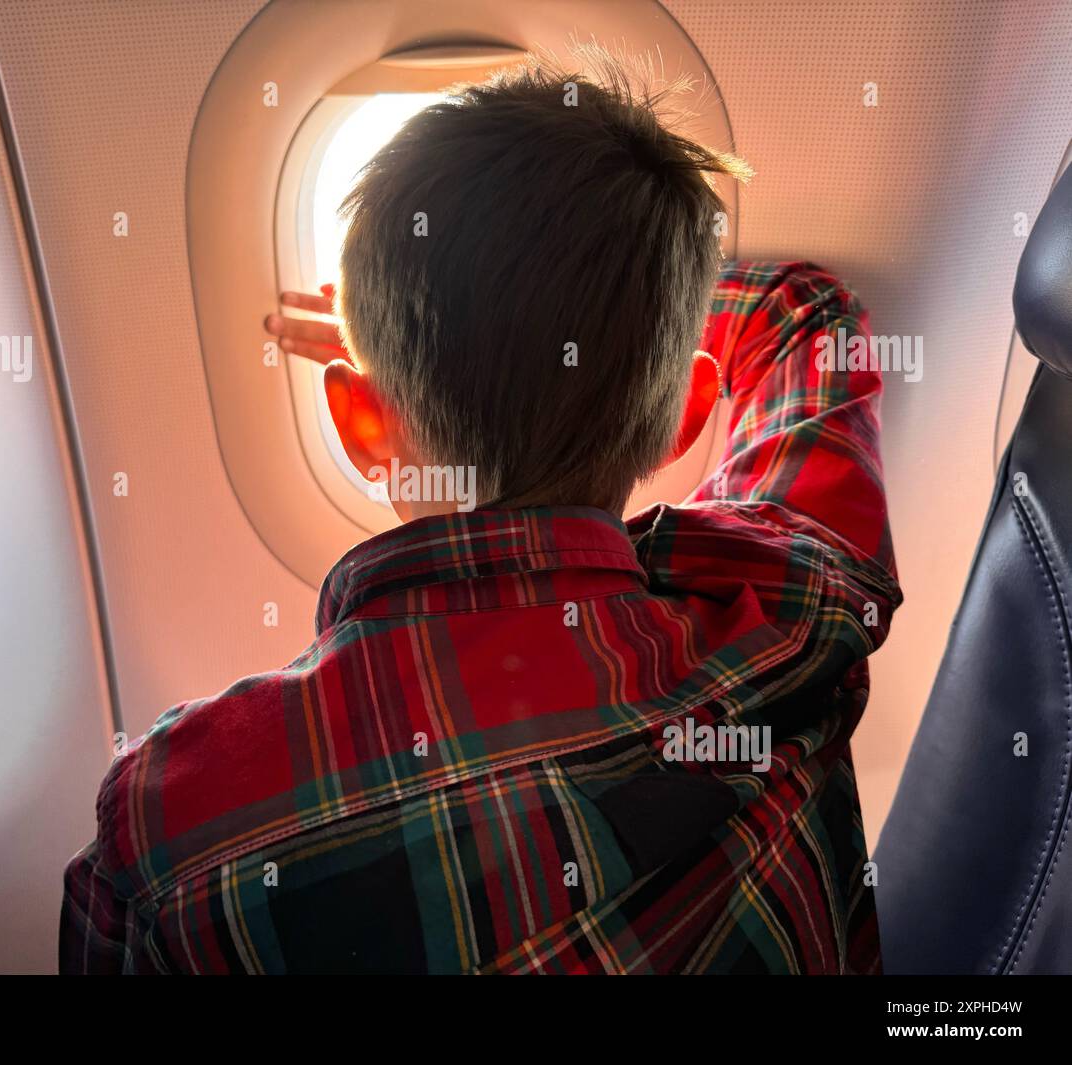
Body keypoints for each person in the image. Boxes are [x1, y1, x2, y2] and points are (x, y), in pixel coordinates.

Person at [60, 48, 900, 974]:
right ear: (685, 417)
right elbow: (805, 316)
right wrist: (625, 308)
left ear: (356, 420)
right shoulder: (793, 608)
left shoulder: (172, 833)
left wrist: (437, 326)